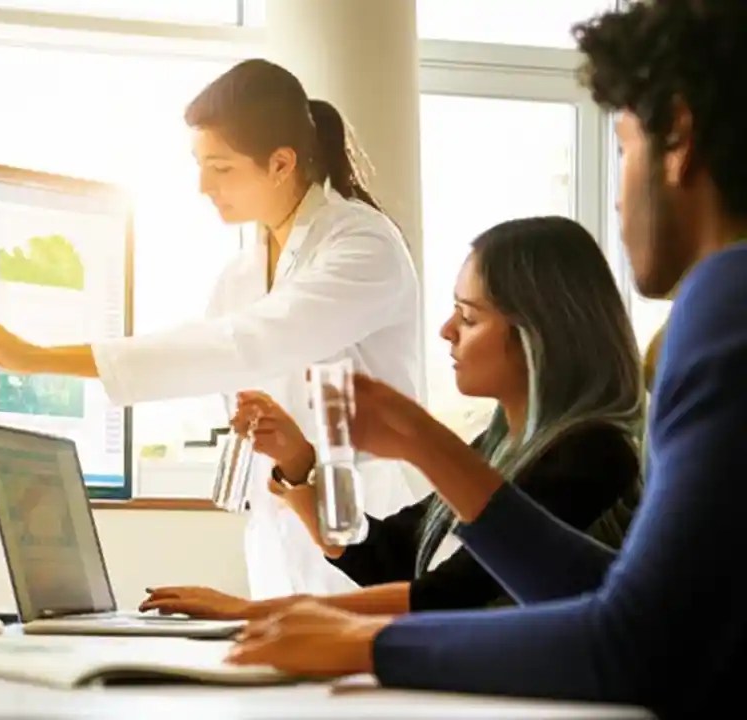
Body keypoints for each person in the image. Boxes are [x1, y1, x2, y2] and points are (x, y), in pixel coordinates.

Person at [224, 2, 747, 717]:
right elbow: (617, 595)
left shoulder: (725, 301)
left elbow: (639, 644)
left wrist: (369, 645)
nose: (618, 202)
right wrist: (418, 440)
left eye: (624, 149)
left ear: (678, 137)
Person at [0, 58, 423, 599]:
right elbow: (205, 363)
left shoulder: (362, 245)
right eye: (199, 165)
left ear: (280, 163)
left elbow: (243, 346)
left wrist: (39, 358)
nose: (203, 186)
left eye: (221, 168)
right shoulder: (241, 275)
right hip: (282, 535)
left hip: (369, 526)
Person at [141, 216, 644, 620]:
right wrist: (299, 464)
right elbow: (389, 555)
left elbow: (449, 596)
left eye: (468, 317)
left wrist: (255, 612)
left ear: (539, 335)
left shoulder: (592, 455)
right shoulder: (498, 448)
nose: (446, 330)